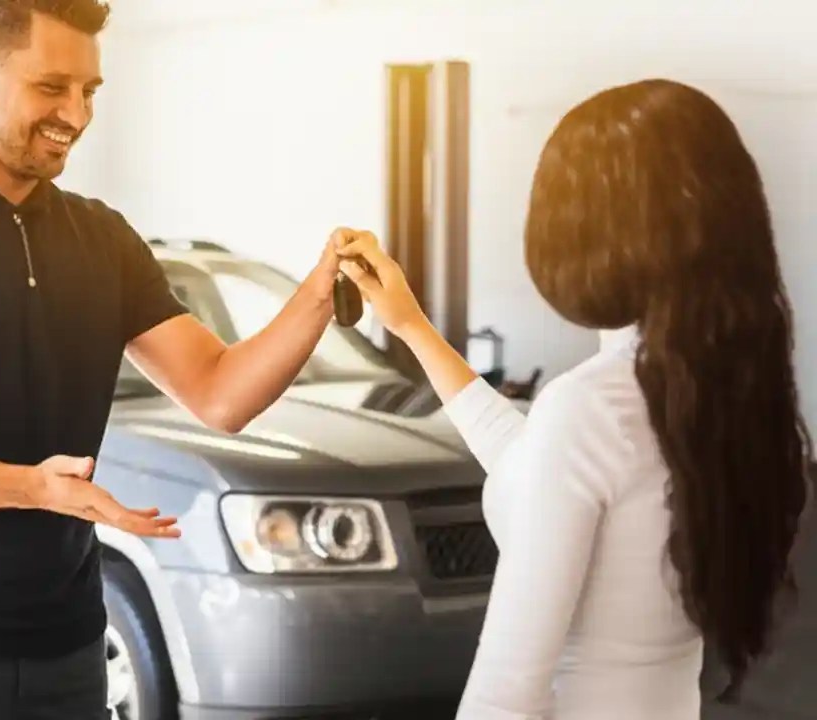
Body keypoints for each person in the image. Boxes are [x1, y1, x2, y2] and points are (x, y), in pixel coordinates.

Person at [0, 1, 346, 718]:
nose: (77, 115)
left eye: (89, 91)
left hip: (73, 646)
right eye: (52, 88)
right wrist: (31, 487)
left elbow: (220, 394)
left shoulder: (103, 239)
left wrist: (319, 293)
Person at [336, 79, 813, 719]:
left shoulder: (588, 407)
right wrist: (412, 327)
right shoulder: (715, 392)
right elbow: (536, 459)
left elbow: (505, 696)